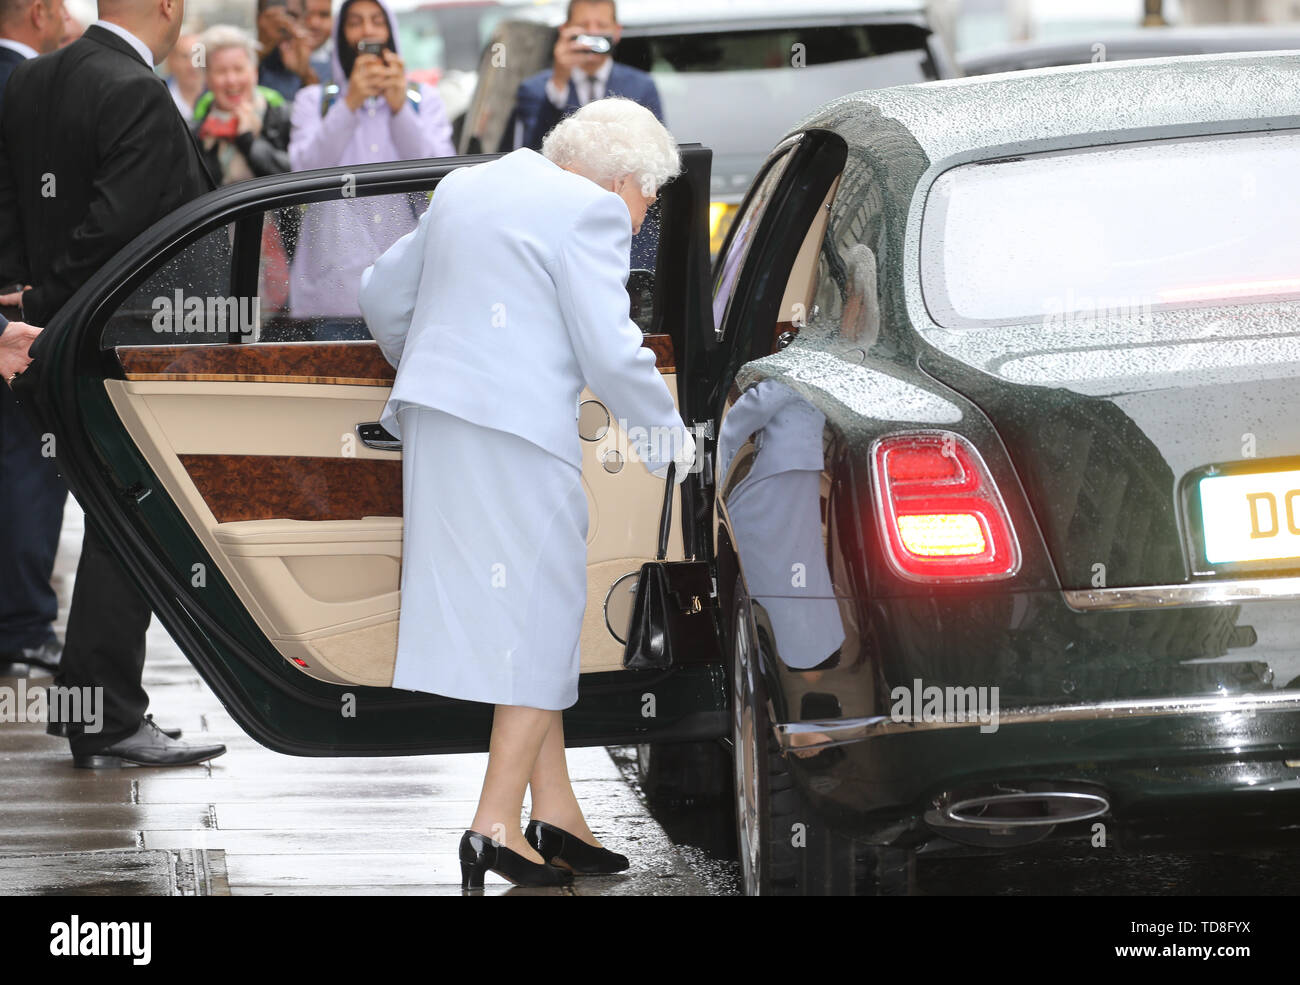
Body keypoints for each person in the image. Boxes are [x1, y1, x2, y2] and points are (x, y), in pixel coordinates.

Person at [358, 97, 696, 889]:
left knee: (526, 615)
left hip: (439, 426)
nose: (643, 217)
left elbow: (380, 295)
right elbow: (613, 356)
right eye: (648, 198)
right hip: (517, 433)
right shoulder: (591, 210)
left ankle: (557, 812)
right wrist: (675, 444)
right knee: (539, 613)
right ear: (622, 179)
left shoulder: (468, 186)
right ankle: (493, 823)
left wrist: (441, 362)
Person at [0, 0, 227, 768]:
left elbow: (10, 209)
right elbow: (117, 228)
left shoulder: (30, 81)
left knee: (113, 523)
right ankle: (103, 713)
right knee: (129, 530)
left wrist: (19, 303)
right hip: (122, 345)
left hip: (46, 344)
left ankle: (87, 709)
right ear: (168, 7)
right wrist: (44, 310)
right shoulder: (133, 89)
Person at [287, 0, 452, 337]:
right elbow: (302, 170)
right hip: (333, 294)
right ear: (340, 33)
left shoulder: (425, 100)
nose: (367, 31)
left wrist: (399, 108)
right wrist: (349, 104)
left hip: (407, 292)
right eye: (355, 22)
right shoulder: (314, 101)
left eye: (377, 21)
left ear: (391, 33)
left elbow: (441, 174)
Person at [0, 0, 71, 677]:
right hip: (16, 306)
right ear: (41, 12)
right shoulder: (30, 89)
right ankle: (22, 622)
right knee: (29, 462)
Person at [512, 0, 661, 153]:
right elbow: (529, 155)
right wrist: (559, 83)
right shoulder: (534, 89)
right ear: (565, 29)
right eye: (583, 25)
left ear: (617, 31)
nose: (593, 33)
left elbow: (656, 152)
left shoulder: (642, 87)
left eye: (601, 26)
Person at [192, 24, 291, 183]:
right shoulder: (197, 131)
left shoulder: (283, 116)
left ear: (255, 72)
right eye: (221, 71)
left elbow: (294, 177)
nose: (231, 80)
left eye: (239, 69)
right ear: (207, 79)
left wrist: (248, 141)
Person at [255, 0, 316, 101]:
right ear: (259, 19)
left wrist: (305, 73)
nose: (283, 23)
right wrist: (262, 48)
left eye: (291, 16)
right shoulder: (243, 54)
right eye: (274, 17)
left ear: (304, 19)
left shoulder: (323, 60)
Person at [165, 29, 201, 119]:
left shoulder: (218, 96)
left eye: (198, 57)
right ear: (171, 60)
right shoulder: (159, 94)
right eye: (185, 57)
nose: (192, 65)